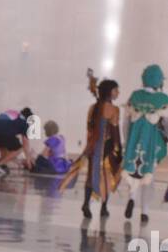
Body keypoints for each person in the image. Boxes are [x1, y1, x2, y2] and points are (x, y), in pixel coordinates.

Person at [60, 72, 122, 220]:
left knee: (91, 176)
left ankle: (86, 203)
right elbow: (115, 132)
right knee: (107, 178)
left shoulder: (92, 108)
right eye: (116, 90)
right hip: (106, 149)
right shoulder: (114, 110)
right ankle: (104, 208)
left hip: (93, 148)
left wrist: (90, 147)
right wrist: (119, 150)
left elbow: (90, 129)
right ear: (109, 92)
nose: (118, 92)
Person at [120, 64, 168, 225]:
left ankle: (132, 198)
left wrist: (127, 139)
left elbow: (126, 121)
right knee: (148, 174)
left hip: (135, 140)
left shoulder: (134, 96)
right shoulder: (163, 99)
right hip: (153, 143)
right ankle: (144, 212)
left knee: (133, 170)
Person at [0, 107, 36, 175]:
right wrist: (28, 161)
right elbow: (25, 145)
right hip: (3, 131)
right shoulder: (25, 122)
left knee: (4, 148)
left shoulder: (12, 112)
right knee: (19, 149)